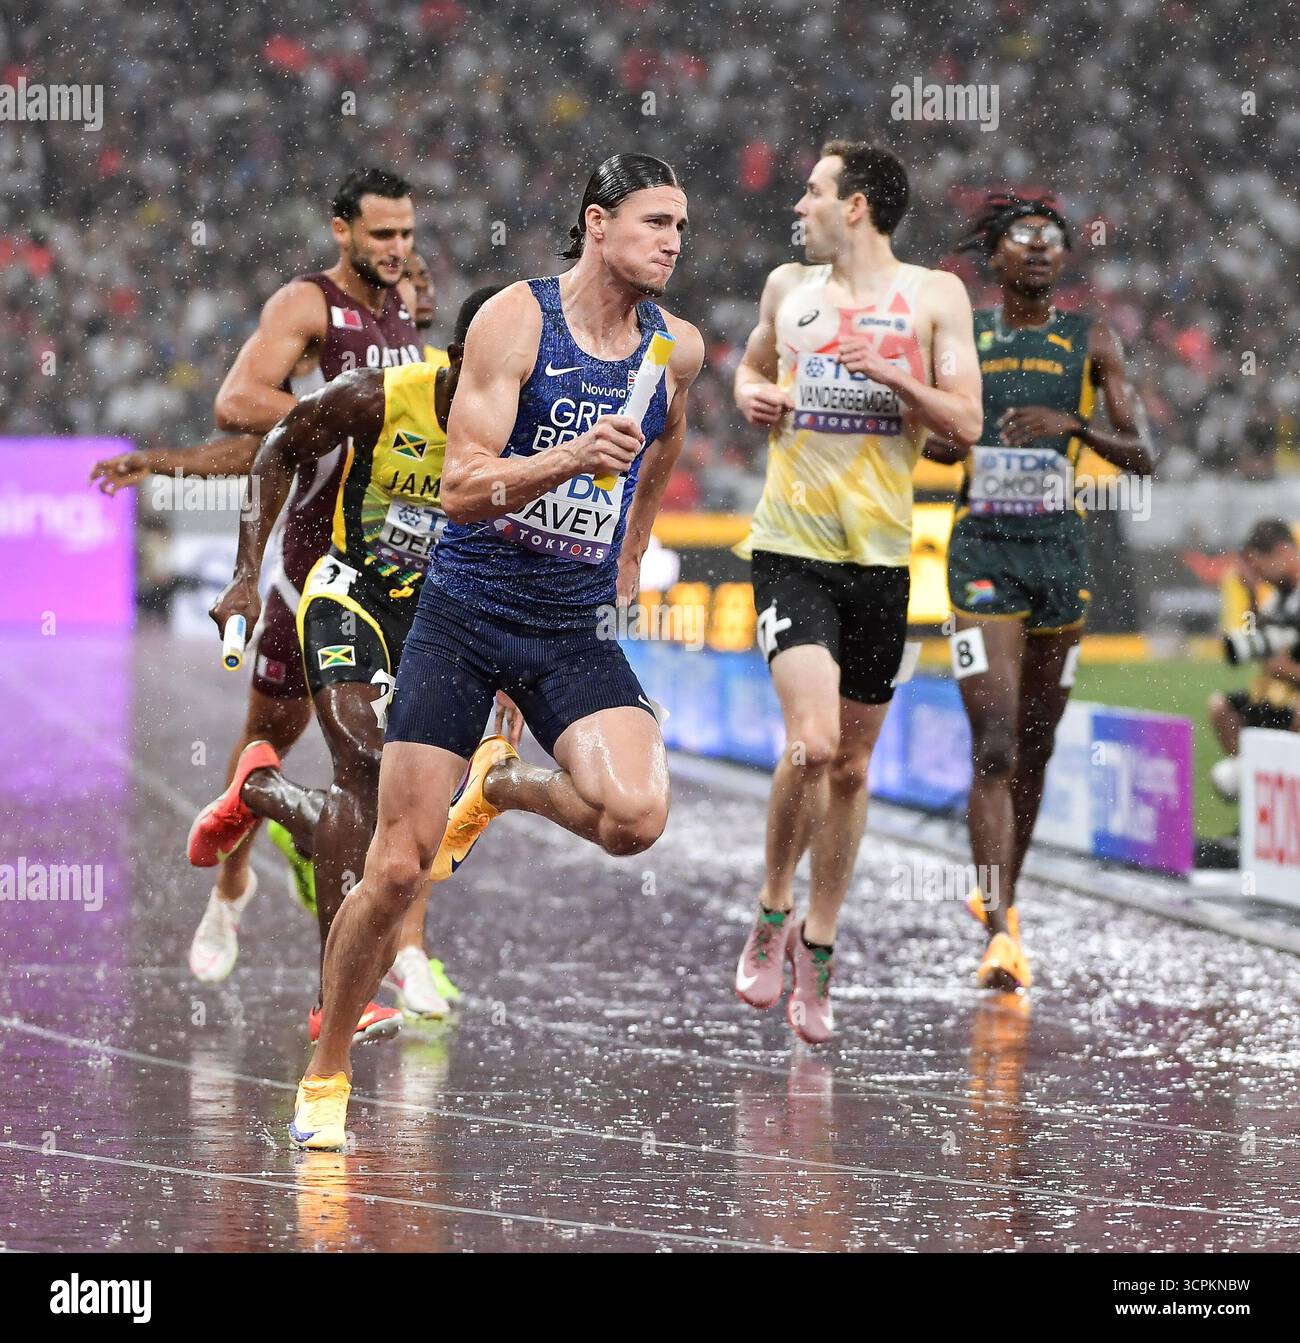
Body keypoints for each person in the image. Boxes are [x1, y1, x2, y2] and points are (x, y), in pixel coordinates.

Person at [290, 152, 704, 1149]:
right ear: (596, 223)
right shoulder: (517, 320)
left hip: (569, 627)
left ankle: (509, 785)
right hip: (466, 617)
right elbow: (462, 486)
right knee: (395, 867)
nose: (673, 242)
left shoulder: (673, 347)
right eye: (654, 222)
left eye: (682, 227)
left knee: (637, 817)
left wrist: (634, 547)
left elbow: (663, 443)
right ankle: (327, 1069)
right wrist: (568, 455)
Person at [196, 287, 505, 1035]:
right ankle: (337, 1001)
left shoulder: (518, 430)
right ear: (459, 359)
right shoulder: (377, 395)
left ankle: (262, 788)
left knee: (410, 811)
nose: (506, 398)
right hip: (349, 594)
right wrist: (244, 575)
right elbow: (276, 449)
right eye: (495, 376)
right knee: (363, 767)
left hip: (435, 622)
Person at [731, 140, 983, 1044]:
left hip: (881, 557)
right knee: (813, 742)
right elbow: (751, 367)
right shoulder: (787, 291)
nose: (799, 205)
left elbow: (965, 421)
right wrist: (752, 393)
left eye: (813, 192)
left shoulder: (932, 297)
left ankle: (820, 943)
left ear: (860, 206)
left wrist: (896, 377)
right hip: (790, 544)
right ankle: (770, 906)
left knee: (853, 765)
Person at [181, 167, 424, 988]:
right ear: (341, 231)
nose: (396, 249)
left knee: (395, 756)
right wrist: (340, 406)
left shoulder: (408, 309)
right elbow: (235, 399)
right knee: (270, 741)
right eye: (381, 234)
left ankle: (394, 947)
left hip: (385, 564)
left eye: (407, 234)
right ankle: (230, 888)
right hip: (304, 567)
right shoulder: (308, 303)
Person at [928, 192, 1151, 990]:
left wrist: (1074, 426)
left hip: (1060, 554)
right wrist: (949, 427)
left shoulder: (1091, 339)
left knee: (1036, 744)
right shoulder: (968, 338)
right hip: (981, 551)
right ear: (994, 258)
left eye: (1052, 241)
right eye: (1023, 239)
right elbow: (936, 443)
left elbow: (1143, 455)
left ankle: (1003, 901)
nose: (1038, 250)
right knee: (993, 741)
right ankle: (998, 929)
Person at [1208, 519, 1300, 799]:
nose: (1261, 575)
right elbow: (1255, 641)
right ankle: (1253, 798)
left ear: (1284, 552)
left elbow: (1278, 663)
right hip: (1284, 696)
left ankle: (1280, 802)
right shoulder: (1277, 599)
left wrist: (1287, 671)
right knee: (1221, 708)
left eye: (1260, 566)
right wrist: (1250, 595)